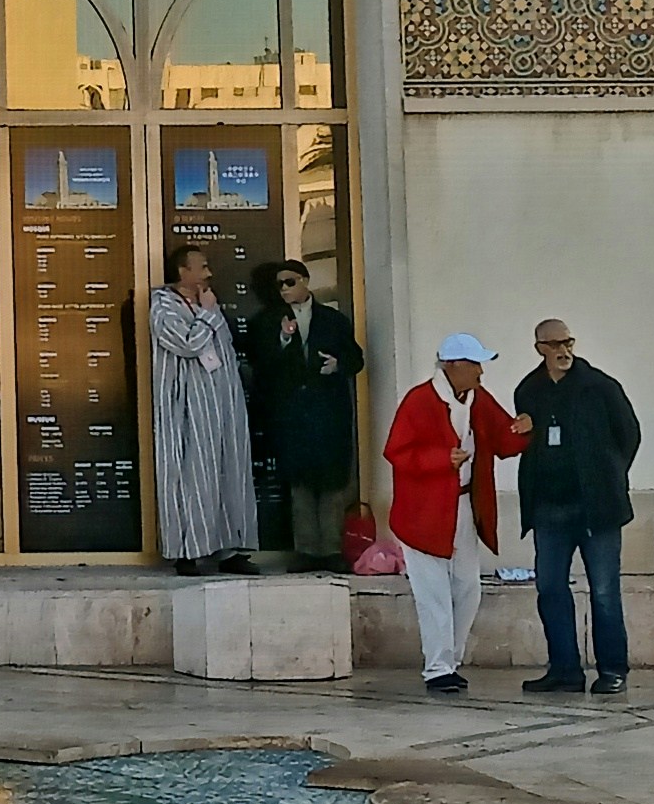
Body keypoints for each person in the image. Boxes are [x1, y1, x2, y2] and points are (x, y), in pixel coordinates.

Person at [381, 333, 524, 695]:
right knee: (433, 594)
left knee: (467, 588)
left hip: (462, 506)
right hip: (423, 514)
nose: (480, 371)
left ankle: (450, 660)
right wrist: (440, 461)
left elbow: (505, 440)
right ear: (452, 366)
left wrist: (523, 429)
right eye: (474, 364)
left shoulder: (478, 400)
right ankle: (438, 668)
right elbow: (397, 452)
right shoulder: (419, 401)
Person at [511, 316, 641, 696]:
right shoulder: (529, 390)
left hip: (596, 509)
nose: (563, 350)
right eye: (554, 344)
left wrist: (609, 476)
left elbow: (628, 434)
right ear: (540, 349)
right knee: (550, 588)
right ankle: (565, 669)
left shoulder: (599, 387)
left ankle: (613, 669)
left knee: (603, 591)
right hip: (549, 508)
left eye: (568, 342)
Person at [146, 243, 258, 572]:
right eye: (202, 267)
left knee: (229, 474)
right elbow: (187, 343)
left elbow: (221, 348)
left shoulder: (207, 302)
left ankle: (230, 549)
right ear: (183, 271)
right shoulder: (162, 306)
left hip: (222, 404)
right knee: (191, 477)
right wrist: (208, 314)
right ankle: (188, 551)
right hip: (187, 409)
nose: (208, 274)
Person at [257, 259, 361, 564]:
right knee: (299, 486)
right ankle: (305, 551)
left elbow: (356, 358)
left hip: (327, 414)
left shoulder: (333, 319)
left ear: (305, 281)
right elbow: (262, 363)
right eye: (279, 285)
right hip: (292, 416)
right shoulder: (269, 320)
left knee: (331, 485)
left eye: (290, 282)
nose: (284, 290)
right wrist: (284, 338)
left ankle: (330, 550)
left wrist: (338, 365)